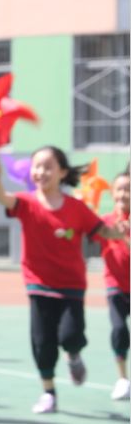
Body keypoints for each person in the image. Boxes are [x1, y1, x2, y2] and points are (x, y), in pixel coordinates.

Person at [0, 146, 129, 414]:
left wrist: (119, 232)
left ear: (62, 172)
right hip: (38, 284)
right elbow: (2, 198)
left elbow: (103, 230)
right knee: (42, 341)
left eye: (48, 166)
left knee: (71, 335)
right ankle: (49, 392)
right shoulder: (26, 202)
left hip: (72, 286)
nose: (40, 171)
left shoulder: (77, 208)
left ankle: (74, 355)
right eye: (36, 166)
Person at [96, 170, 130, 401]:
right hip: (115, 285)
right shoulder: (104, 222)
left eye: (128, 189)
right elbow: (79, 233)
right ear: (112, 192)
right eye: (119, 189)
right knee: (119, 330)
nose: (123, 194)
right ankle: (122, 379)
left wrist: (125, 235)